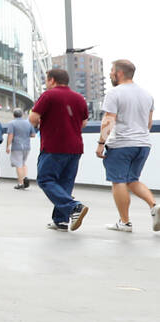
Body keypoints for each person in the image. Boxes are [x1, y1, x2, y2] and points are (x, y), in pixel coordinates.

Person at [96, 59, 157, 232]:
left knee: (118, 181)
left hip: (121, 144)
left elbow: (109, 119)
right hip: (143, 144)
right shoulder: (147, 94)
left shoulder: (114, 93)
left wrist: (101, 143)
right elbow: (149, 123)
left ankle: (125, 222)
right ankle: (154, 206)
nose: (110, 74)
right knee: (132, 180)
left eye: (111, 70)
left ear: (119, 73)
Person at [29, 68, 90, 231]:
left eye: (46, 81)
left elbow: (33, 118)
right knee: (65, 183)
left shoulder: (49, 95)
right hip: (75, 147)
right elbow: (84, 122)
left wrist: (42, 123)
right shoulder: (79, 98)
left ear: (52, 80)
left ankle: (74, 207)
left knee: (45, 179)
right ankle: (61, 220)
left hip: (54, 146)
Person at [6, 108, 34, 189]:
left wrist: (8, 146)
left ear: (13, 115)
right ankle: (25, 177)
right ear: (22, 114)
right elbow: (33, 135)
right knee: (23, 163)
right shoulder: (28, 123)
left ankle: (21, 183)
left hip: (17, 146)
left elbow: (10, 135)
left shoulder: (12, 123)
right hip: (27, 146)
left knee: (18, 165)